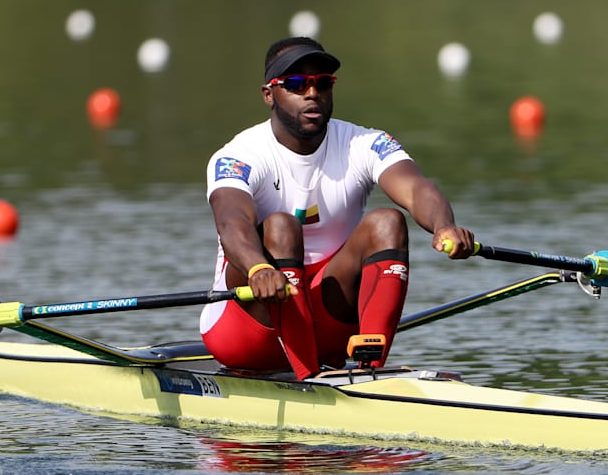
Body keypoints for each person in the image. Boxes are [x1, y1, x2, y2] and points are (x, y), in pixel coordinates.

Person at [199, 36, 475, 380]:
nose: (312, 93)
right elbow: (231, 221)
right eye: (296, 84)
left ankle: (369, 372)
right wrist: (258, 268)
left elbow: (417, 188)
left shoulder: (364, 143)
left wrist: (443, 225)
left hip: (328, 329)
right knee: (282, 226)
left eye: (323, 83)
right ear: (269, 94)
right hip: (249, 330)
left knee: (388, 222)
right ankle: (308, 376)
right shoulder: (239, 155)